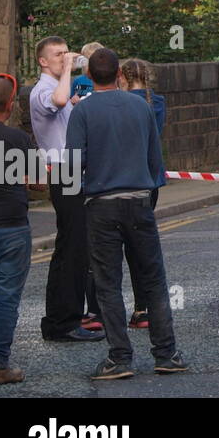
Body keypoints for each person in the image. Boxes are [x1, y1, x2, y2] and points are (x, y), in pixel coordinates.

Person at [67, 48, 187, 380]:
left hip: (102, 203)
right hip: (139, 200)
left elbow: (74, 163)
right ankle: (166, 354)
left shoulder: (83, 111)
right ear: (119, 74)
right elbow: (154, 159)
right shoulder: (141, 106)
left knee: (107, 283)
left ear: (89, 76)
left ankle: (120, 358)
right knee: (153, 279)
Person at [30, 36, 103, 344]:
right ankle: (62, 323)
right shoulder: (43, 90)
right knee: (72, 249)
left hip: (73, 170)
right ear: (43, 61)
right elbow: (59, 101)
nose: (64, 58)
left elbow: (68, 106)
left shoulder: (60, 88)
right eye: (57, 55)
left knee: (75, 248)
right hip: (64, 171)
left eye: (66, 53)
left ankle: (62, 320)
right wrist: (67, 72)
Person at [0, 75, 35, 384]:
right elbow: (38, 182)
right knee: (6, 299)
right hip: (11, 228)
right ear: (10, 106)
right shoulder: (18, 139)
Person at [118, 59, 167, 329]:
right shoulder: (157, 102)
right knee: (145, 246)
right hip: (152, 181)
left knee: (127, 248)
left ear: (122, 78)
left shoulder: (122, 104)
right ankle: (150, 307)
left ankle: (139, 309)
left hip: (127, 180)